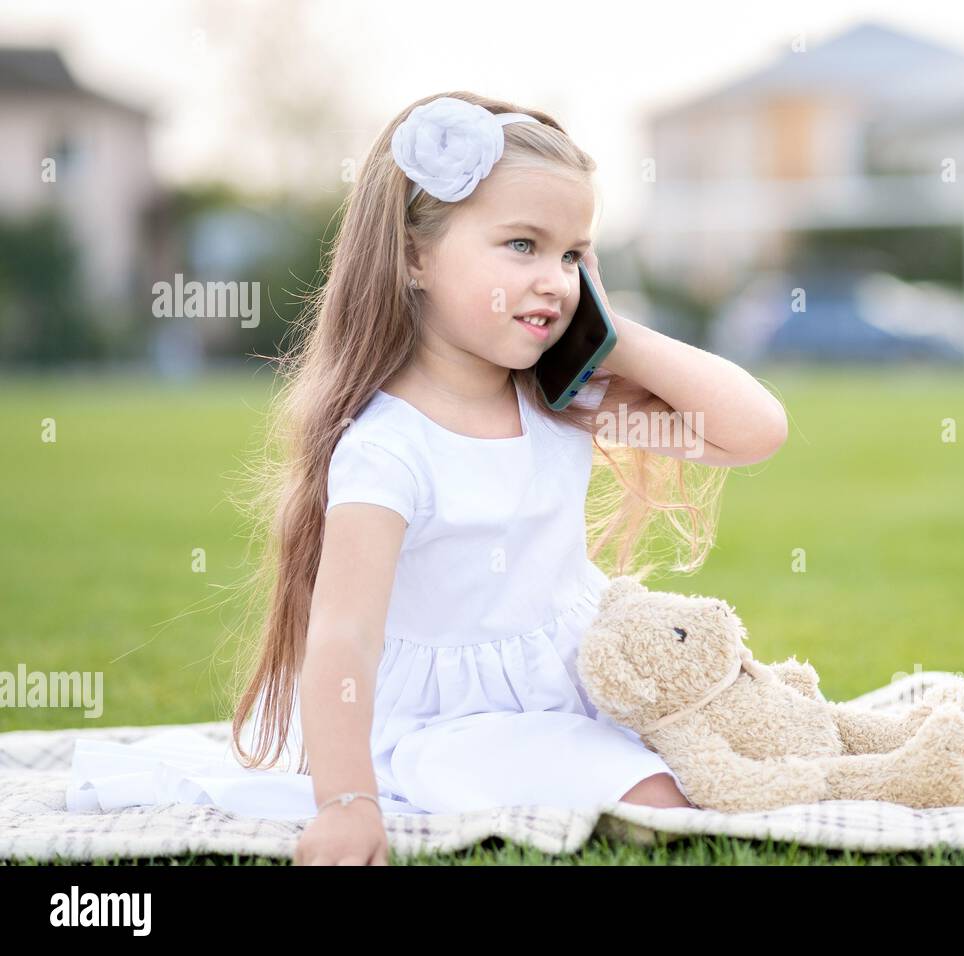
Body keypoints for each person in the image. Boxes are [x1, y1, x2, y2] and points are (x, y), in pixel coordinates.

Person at [64, 92, 789, 865]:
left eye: (574, 254)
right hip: (451, 727)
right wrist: (346, 802)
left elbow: (753, 431)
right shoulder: (391, 449)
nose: (555, 278)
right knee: (658, 796)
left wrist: (613, 333)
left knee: (750, 752)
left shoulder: (560, 400)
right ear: (415, 257)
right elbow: (342, 639)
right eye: (522, 245)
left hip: (578, 679)